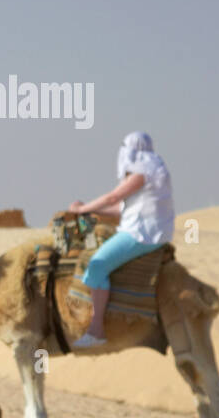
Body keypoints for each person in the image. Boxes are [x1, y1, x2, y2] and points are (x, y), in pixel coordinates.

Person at [67, 131, 174, 348]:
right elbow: (120, 209)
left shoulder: (142, 173)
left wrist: (81, 208)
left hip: (142, 234)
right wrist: (91, 212)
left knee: (96, 265)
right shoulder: (153, 171)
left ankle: (96, 331)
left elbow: (113, 197)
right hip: (147, 230)